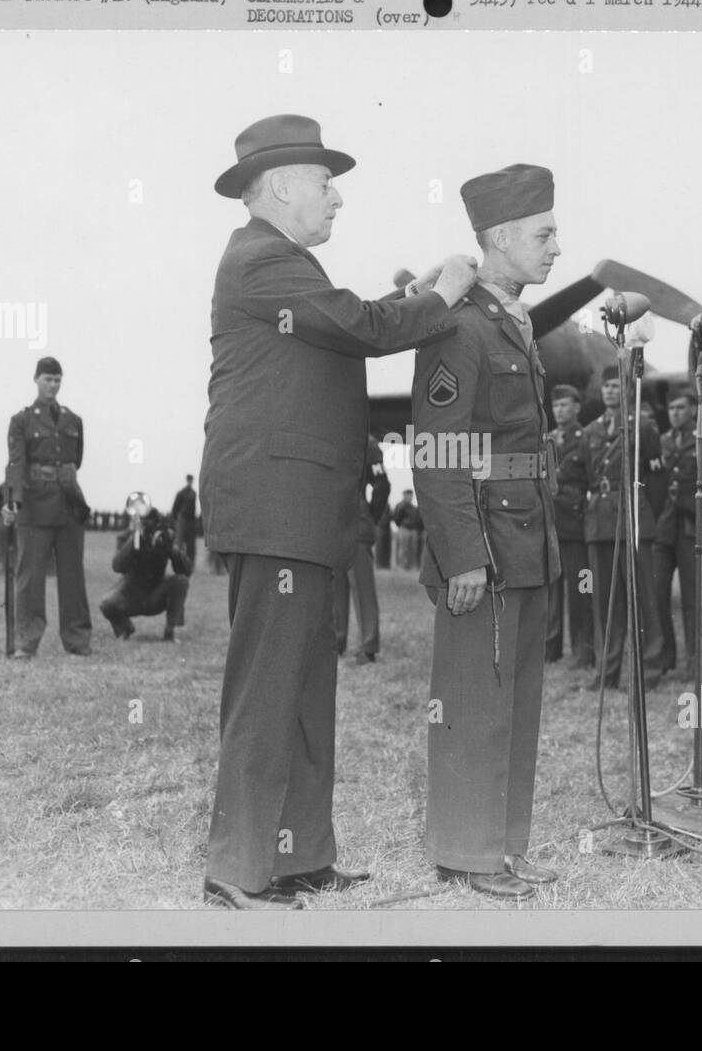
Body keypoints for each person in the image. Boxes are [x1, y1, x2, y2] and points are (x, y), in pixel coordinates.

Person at [199, 113, 476, 910]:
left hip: (308, 512)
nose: (336, 199)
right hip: (279, 509)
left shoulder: (282, 267)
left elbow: (347, 322)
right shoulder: (262, 261)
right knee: (266, 690)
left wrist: (417, 296)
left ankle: (297, 856)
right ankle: (237, 868)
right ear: (282, 187)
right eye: (326, 184)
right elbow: (358, 325)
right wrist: (441, 293)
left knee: (308, 686)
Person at [412, 162, 562, 901]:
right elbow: (438, 450)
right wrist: (463, 555)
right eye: (543, 233)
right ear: (499, 238)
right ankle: (467, 853)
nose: (556, 247)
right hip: (487, 547)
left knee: (516, 701)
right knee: (473, 701)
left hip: (527, 540)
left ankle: (504, 847)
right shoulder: (459, 327)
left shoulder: (515, 323)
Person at [0, 357, 93, 659]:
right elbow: (16, 461)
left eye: (56, 380)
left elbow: (75, 460)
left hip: (68, 506)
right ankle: (26, 642)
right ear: (36, 380)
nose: (52, 385)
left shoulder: (73, 420)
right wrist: (12, 499)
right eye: (47, 379)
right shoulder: (22, 420)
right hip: (34, 506)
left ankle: (77, 641)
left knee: (73, 577)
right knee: (30, 577)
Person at [581, 365, 662, 690]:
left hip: (633, 514)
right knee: (604, 599)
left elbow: (656, 476)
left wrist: (642, 510)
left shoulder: (642, 427)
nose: (611, 392)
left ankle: (649, 669)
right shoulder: (590, 431)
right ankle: (608, 668)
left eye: (616, 386)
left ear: (628, 389)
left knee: (643, 596)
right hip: (601, 518)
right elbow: (589, 473)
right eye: (607, 387)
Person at [647, 387, 702, 673]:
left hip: (693, 528)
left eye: (681, 408)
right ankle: (663, 658)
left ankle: (698, 661)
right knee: (657, 594)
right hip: (663, 529)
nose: (675, 413)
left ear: (694, 410)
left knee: (695, 598)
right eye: (671, 409)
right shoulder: (661, 442)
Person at [545, 384, 595, 669]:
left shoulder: (586, 437)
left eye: (565, 405)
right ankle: (550, 649)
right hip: (552, 526)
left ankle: (583, 651)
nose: (559, 410)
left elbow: (592, 475)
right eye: (556, 406)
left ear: (577, 407)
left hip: (577, 527)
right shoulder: (548, 439)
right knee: (552, 591)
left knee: (581, 591)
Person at [99, 493, 191, 641]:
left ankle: (170, 631)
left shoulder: (163, 536)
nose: (148, 526)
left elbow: (185, 571)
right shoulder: (125, 537)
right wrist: (134, 539)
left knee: (180, 581)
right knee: (107, 603)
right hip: (131, 592)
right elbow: (117, 566)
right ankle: (125, 629)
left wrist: (172, 549)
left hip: (156, 592)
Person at [334, 435, 389, 664]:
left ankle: (368, 646)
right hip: (332, 520)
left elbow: (382, 484)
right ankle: (336, 643)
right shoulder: (330, 431)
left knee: (362, 586)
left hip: (356, 518)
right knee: (334, 586)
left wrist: (370, 516)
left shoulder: (367, 442)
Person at [171, 474, 200, 569]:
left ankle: (190, 566)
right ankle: (178, 565)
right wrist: (177, 520)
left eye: (191, 481)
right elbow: (175, 508)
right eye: (189, 480)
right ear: (186, 481)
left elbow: (194, 508)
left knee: (191, 545)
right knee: (179, 543)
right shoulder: (181, 493)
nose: (190, 482)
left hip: (191, 520)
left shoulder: (194, 493)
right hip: (182, 519)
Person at [391, 489, 423, 570]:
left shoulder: (413, 507)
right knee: (403, 549)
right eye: (408, 495)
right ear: (404, 495)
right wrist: (401, 526)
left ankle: (411, 566)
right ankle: (402, 566)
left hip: (413, 530)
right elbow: (395, 517)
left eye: (411, 495)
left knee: (412, 549)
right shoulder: (400, 505)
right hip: (404, 529)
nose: (410, 497)